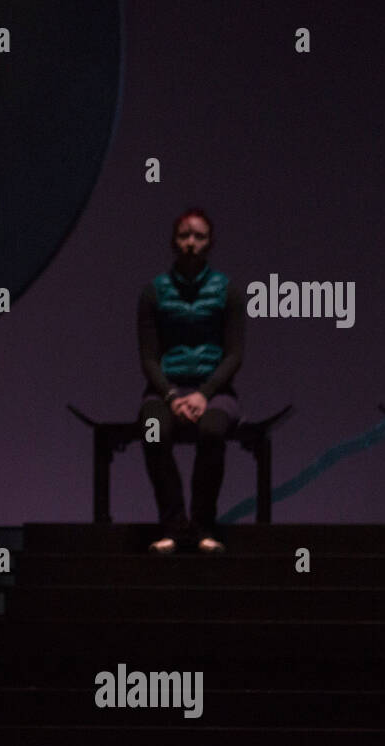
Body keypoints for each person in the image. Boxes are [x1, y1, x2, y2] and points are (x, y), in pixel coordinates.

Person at [136, 208, 244, 554]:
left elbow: (234, 355)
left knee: (212, 431)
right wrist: (170, 395)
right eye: (184, 235)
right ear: (174, 241)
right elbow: (149, 357)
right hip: (166, 391)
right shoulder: (154, 292)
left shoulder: (228, 291)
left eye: (198, 236)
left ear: (209, 242)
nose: (191, 243)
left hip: (215, 392)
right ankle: (174, 526)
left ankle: (202, 528)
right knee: (153, 429)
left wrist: (204, 394)